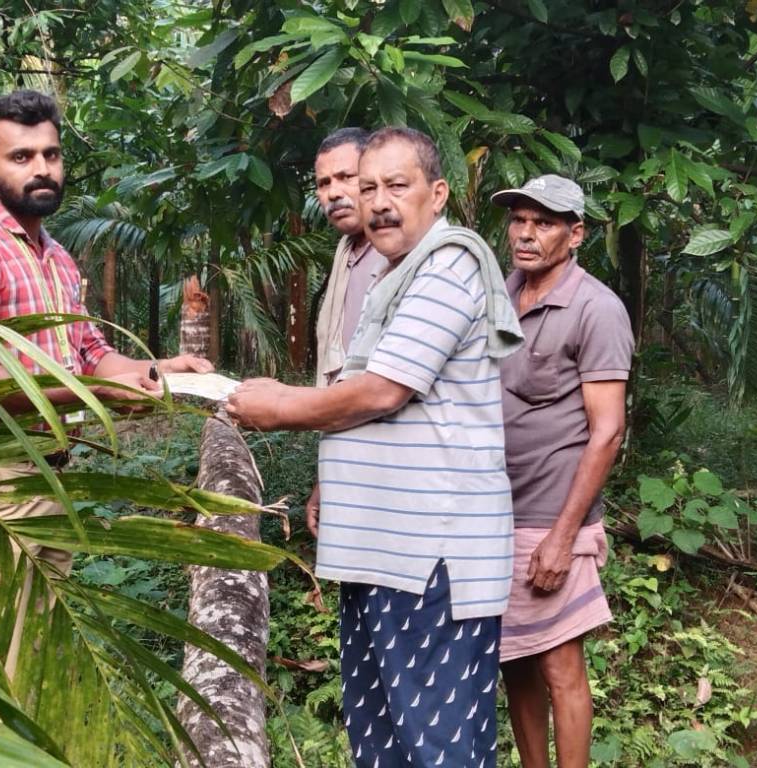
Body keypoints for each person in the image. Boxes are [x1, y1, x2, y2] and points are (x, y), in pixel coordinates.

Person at [227, 127, 523, 768]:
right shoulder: (395, 275)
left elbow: (384, 390)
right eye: (369, 189)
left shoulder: (448, 263)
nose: (379, 201)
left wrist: (277, 407)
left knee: (437, 745)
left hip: (430, 559)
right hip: (385, 553)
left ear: (437, 193)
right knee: (383, 739)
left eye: (397, 185)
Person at [0, 90, 211, 678]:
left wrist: (155, 371)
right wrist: (102, 395)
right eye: (21, 157)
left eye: (50, 155)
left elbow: (88, 352)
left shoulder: (56, 258)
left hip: (51, 469)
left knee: (33, 645)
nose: (42, 169)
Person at [491, 175, 633, 768]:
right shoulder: (502, 290)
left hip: (553, 518)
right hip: (495, 512)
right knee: (516, 660)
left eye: (543, 222)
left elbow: (607, 431)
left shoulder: (596, 308)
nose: (526, 233)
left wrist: (562, 537)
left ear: (575, 234)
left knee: (558, 663)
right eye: (519, 219)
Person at [307, 127, 386, 535]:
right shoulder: (347, 252)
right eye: (324, 183)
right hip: (350, 457)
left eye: (346, 177)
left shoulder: (404, 255)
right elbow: (338, 372)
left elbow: (384, 385)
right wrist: (328, 474)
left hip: (400, 475)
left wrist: (282, 407)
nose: (334, 192)